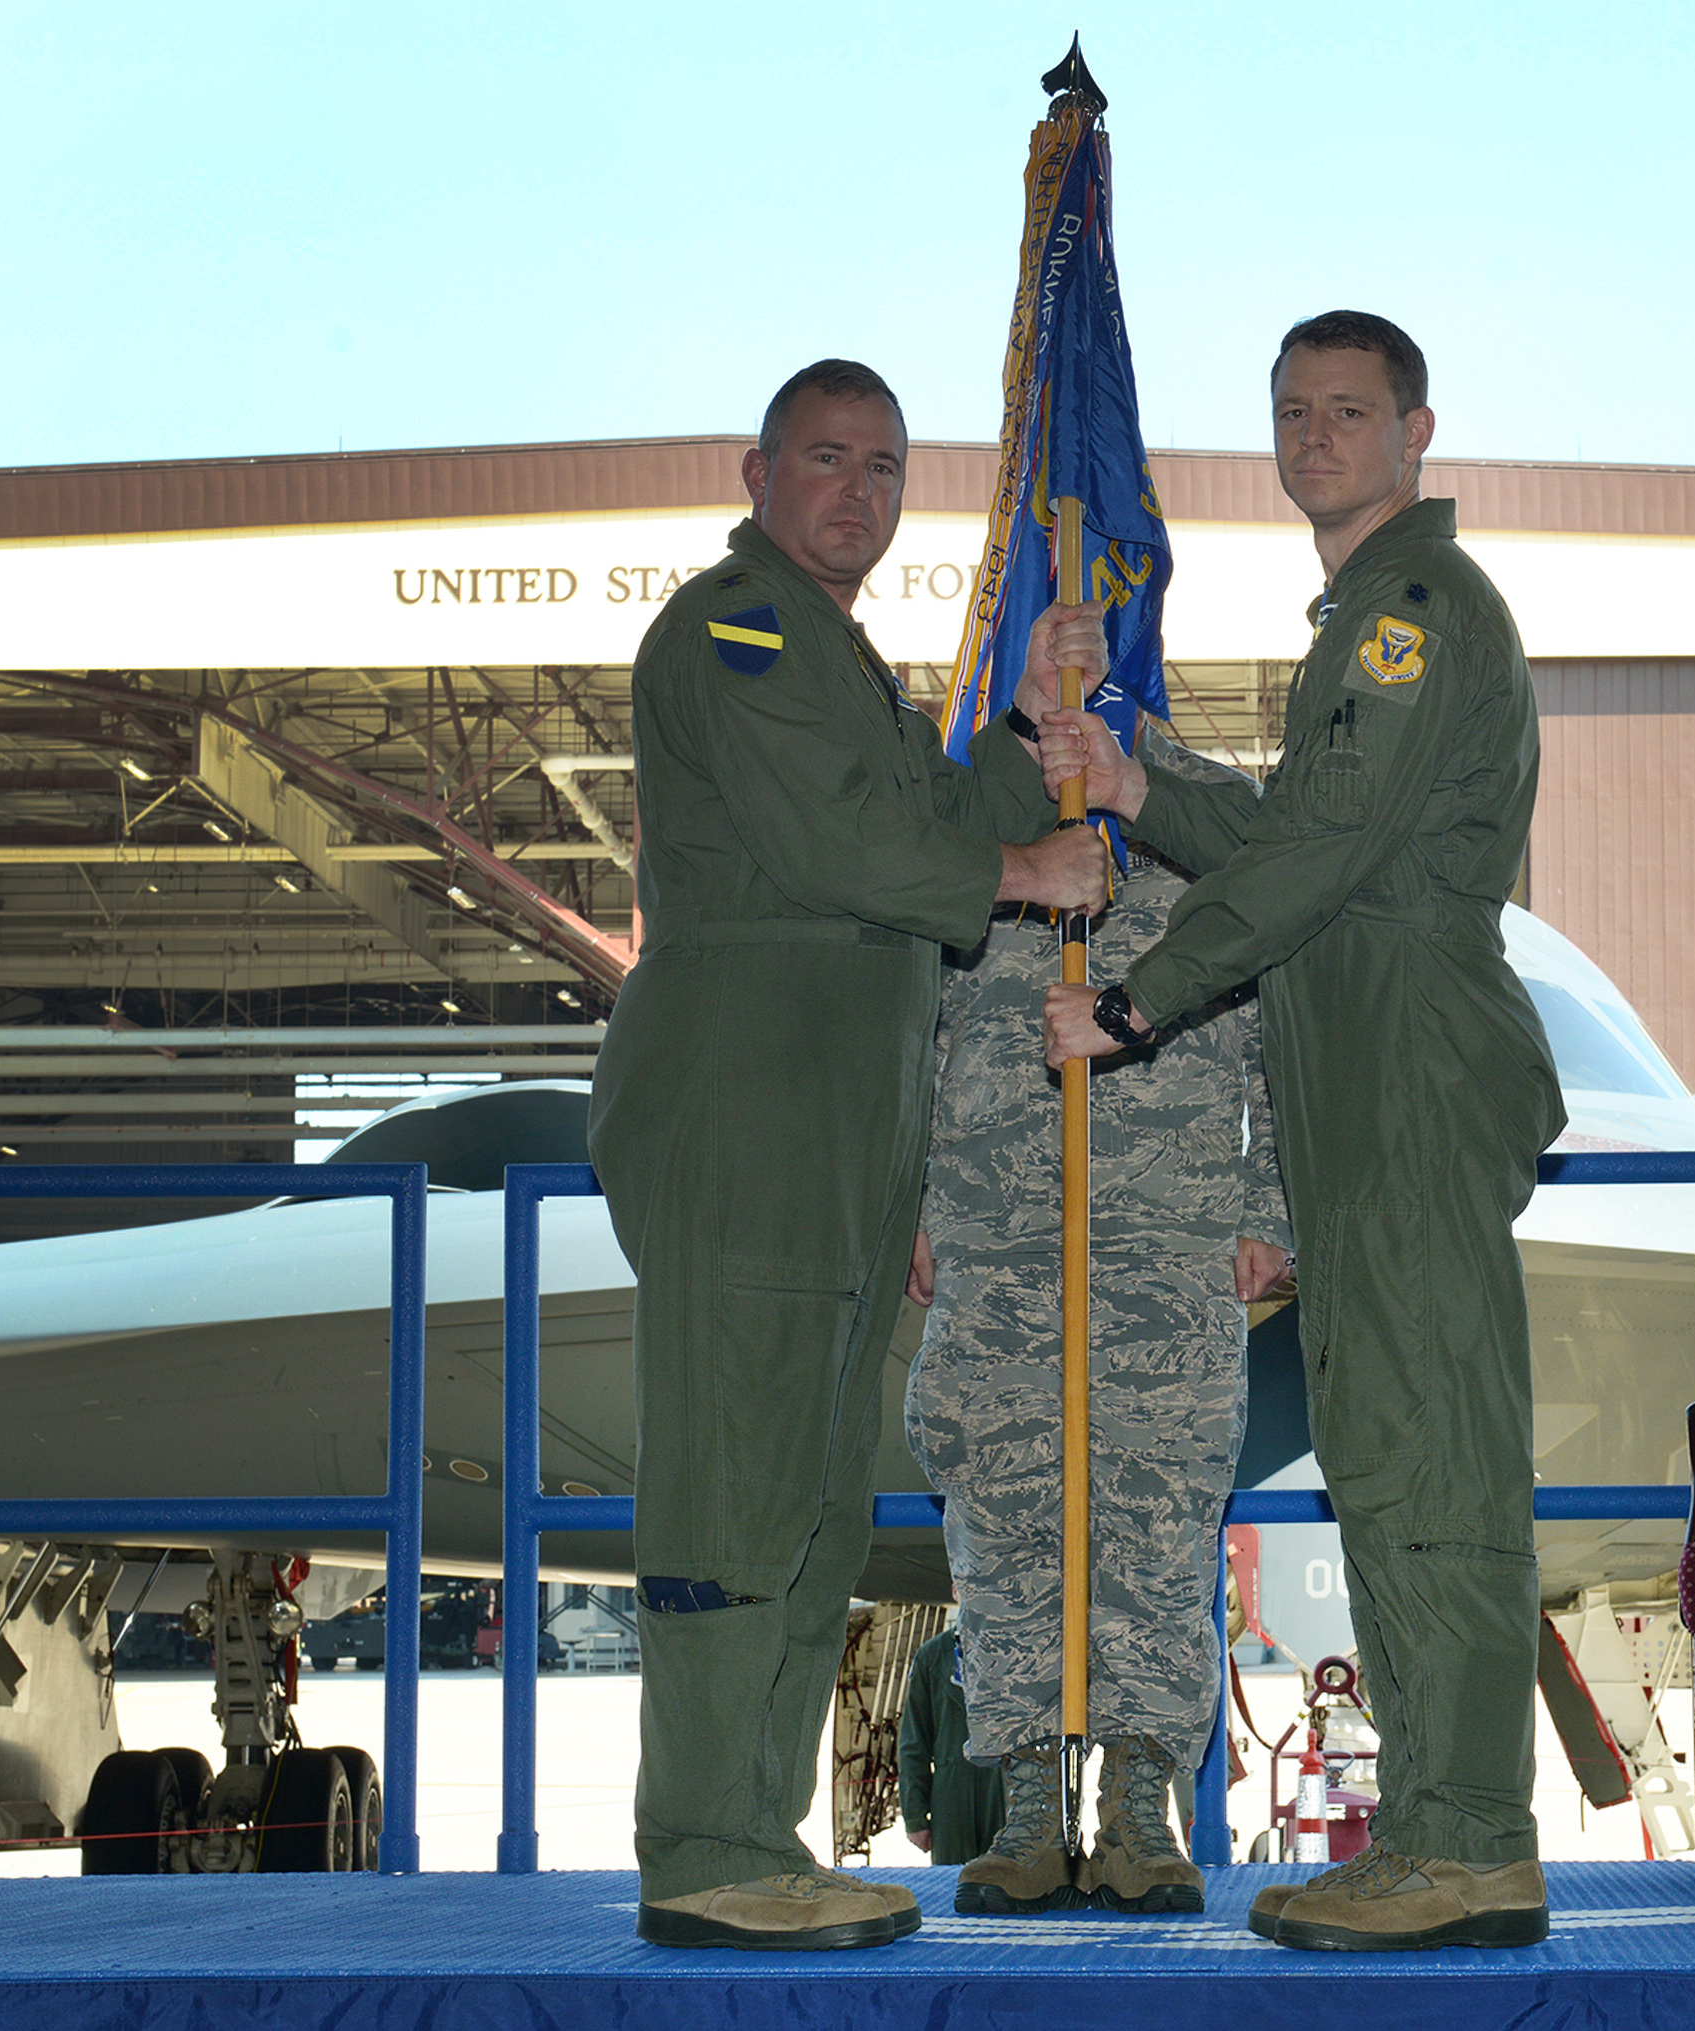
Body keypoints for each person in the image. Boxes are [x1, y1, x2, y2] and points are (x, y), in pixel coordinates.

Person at [1041, 310, 1564, 1953]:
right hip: (1364, 1063)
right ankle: (1438, 1833)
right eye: (1292, 411)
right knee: (1391, 1461)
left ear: (1417, 432)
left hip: (1406, 1059)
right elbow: (1303, 828)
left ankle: (1470, 1840)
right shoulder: (1366, 618)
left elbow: (1324, 852)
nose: (1314, 436)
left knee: (1430, 1464)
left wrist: (1141, 1002)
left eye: (1348, 410)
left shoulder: (1411, 613)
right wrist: (1141, 788)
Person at [586, 357, 1112, 1953]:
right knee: (736, 1483)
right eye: (826, 458)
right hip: (748, 1108)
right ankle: (704, 1843)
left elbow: (922, 812)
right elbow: (845, 843)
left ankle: (759, 1835)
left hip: (836, 1119)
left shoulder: (843, 664)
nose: (858, 492)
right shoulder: (738, 632)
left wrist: (1024, 722)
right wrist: (1025, 868)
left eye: (884, 467)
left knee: (812, 1492)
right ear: (759, 474)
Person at [905, 726, 1293, 1917]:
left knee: (1158, 1526)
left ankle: (1137, 1811)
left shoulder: (1206, 827)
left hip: (1166, 1238)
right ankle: (1027, 1810)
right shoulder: (980, 827)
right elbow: (913, 1031)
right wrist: (909, 1207)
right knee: (1004, 1522)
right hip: (997, 1236)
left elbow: (1281, 1028)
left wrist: (1269, 1206)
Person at [897, 1625, 1005, 1865]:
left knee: (1007, 1874)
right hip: (951, 1794)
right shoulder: (932, 1657)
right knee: (951, 1879)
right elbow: (914, 1741)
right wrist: (915, 1816)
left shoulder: (1015, 1649)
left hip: (1003, 1786)